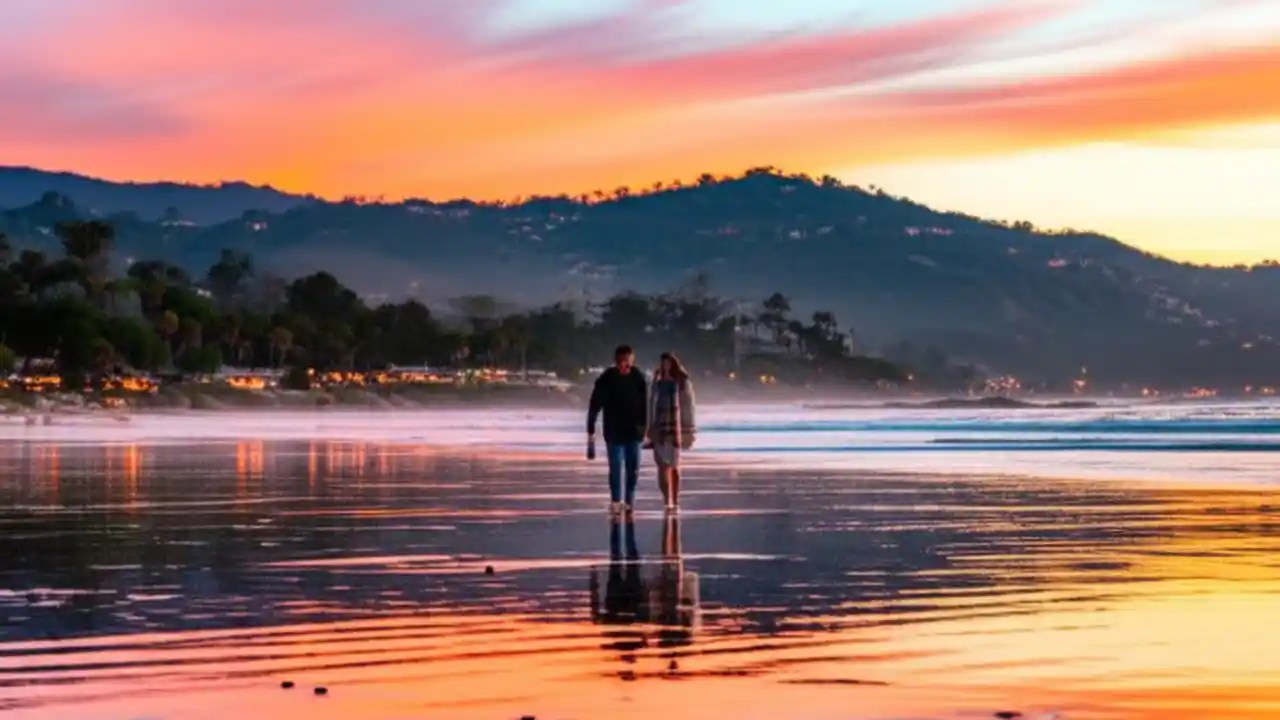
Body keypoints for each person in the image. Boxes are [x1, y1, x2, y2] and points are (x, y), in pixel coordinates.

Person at [587, 344, 648, 514]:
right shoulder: (607, 378)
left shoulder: (638, 377)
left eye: (627, 361)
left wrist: (647, 429)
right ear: (616, 361)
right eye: (621, 361)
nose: (624, 365)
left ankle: (629, 501)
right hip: (614, 432)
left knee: (633, 468)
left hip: (634, 432)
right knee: (615, 468)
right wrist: (590, 430)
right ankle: (615, 501)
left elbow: (646, 406)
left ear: (632, 360)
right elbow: (594, 405)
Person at [646, 352, 697, 510]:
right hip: (659, 427)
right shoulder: (656, 383)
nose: (665, 366)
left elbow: (689, 405)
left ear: (673, 364)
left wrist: (690, 429)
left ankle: (674, 499)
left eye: (668, 363)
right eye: (663, 363)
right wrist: (649, 426)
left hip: (676, 427)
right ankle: (666, 499)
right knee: (661, 464)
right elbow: (649, 404)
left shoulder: (681, 382)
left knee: (674, 465)